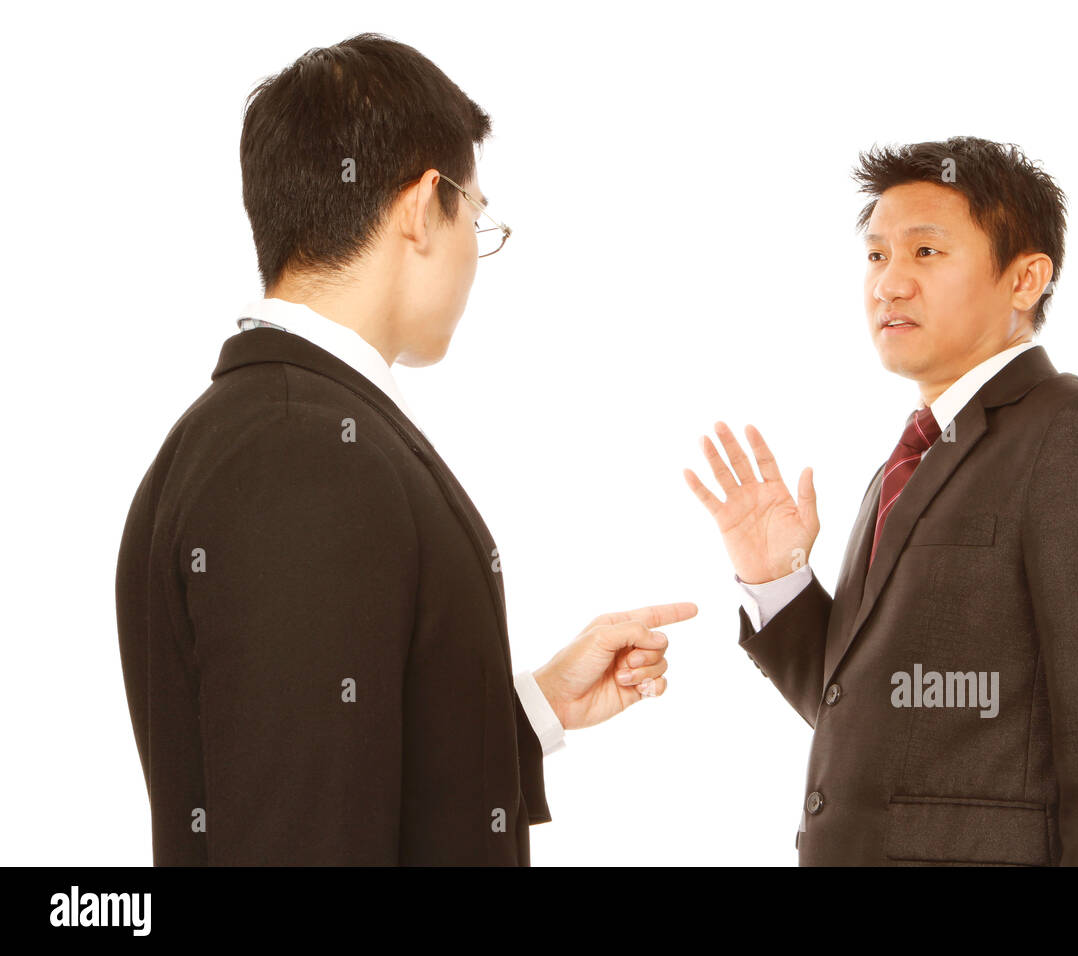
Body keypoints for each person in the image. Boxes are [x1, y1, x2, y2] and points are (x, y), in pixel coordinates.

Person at [115, 32, 695, 866]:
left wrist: (532, 709)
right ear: (425, 206)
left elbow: (332, 764)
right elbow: (303, 834)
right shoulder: (300, 453)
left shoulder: (273, 426)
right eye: (477, 216)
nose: (475, 252)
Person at [685, 136, 1078, 866]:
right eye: (876, 255)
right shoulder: (912, 458)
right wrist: (779, 581)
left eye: (925, 253)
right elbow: (867, 708)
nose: (889, 283)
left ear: (1026, 280)